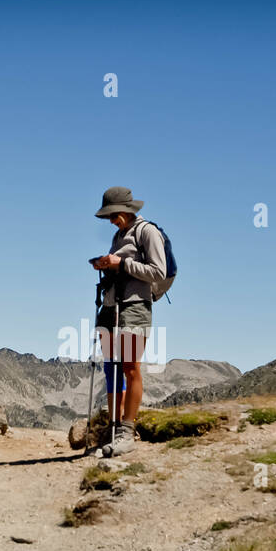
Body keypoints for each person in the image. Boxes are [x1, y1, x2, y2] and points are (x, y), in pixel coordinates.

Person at [90, 186, 168, 455]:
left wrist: (120, 264)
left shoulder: (148, 232)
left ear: (127, 210)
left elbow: (159, 271)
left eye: (113, 215)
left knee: (130, 367)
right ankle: (112, 429)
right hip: (111, 306)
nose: (111, 221)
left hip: (134, 307)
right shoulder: (119, 235)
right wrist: (105, 264)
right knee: (111, 367)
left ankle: (126, 431)